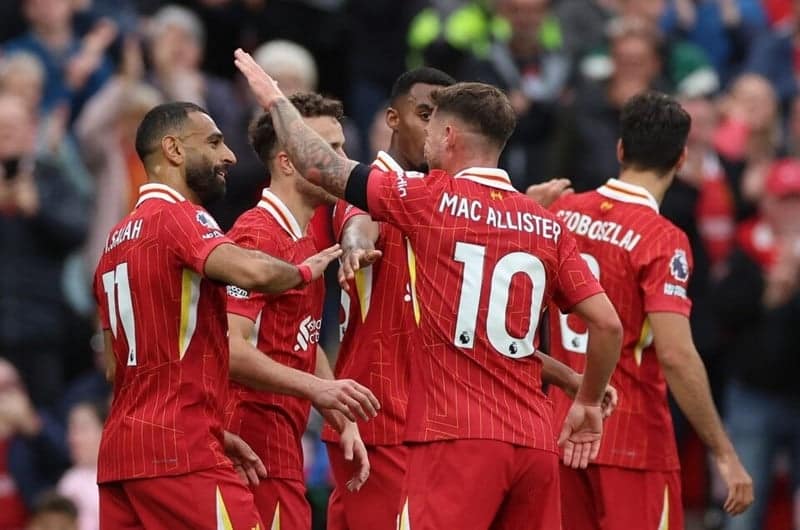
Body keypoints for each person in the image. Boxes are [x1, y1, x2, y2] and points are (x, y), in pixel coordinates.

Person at [236, 48, 623, 529]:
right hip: (529, 440)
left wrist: (276, 101)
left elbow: (324, 171)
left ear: (449, 134)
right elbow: (607, 323)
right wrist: (583, 395)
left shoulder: (426, 201)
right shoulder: (542, 224)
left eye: (433, 120)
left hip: (450, 436)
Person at [92, 101, 353, 529]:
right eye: (214, 142)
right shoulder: (181, 217)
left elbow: (114, 365)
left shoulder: (113, 243)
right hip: (183, 449)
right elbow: (250, 271)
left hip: (123, 456)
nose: (228, 156)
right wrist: (303, 272)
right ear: (174, 150)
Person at [546, 91, 753, 530]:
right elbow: (677, 355)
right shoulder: (662, 239)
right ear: (680, 160)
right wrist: (724, 452)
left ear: (621, 149)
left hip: (559, 431)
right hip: (632, 441)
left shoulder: (561, 211)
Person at [224, 92, 376, 529]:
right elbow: (230, 349)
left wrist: (339, 413)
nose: (344, 162)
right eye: (330, 149)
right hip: (251, 442)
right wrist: (315, 389)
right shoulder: (258, 236)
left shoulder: (305, 239)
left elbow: (304, 335)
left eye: (343, 148)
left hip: (281, 444)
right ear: (289, 162)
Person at [711, 159, 800, 530]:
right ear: (767, 202)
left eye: (797, 200)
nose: (791, 209)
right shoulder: (745, 244)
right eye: (784, 199)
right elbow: (724, 310)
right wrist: (772, 290)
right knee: (744, 509)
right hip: (752, 394)